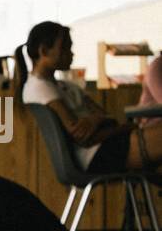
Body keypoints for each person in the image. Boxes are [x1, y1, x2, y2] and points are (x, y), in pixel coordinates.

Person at [16, 21, 162, 172]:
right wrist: (120, 127)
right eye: (65, 48)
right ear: (44, 51)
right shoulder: (41, 88)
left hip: (108, 145)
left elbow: (104, 115)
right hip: (97, 154)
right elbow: (83, 137)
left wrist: (95, 121)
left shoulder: (67, 87)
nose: (71, 53)